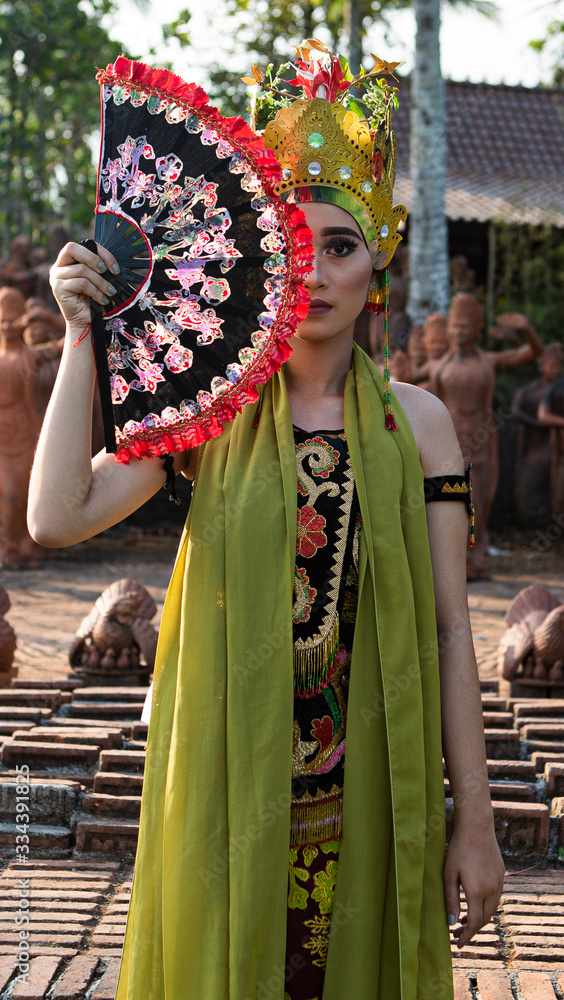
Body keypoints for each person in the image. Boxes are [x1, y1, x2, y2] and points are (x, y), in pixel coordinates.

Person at [27, 43, 504, 1000]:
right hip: (224, 782)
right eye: (293, 241)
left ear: (379, 258)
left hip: (374, 785)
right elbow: (56, 516)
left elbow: (453, 631)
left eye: (341, 246)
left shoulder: (419, 425)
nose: (316, 271)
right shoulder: (214, 405)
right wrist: (83, 337)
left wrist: (478, 823)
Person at [428, 296, 544, 579]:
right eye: (455, 326)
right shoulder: (439, 366)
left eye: (465, 326)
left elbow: (533, 352)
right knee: (446, 503)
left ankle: (474, 561)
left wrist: (526, 329)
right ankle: (448, 564)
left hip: (480, 445)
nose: (459, 332)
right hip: (448, 444)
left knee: (477, 502)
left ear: (477, 329)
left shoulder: (489, 361)